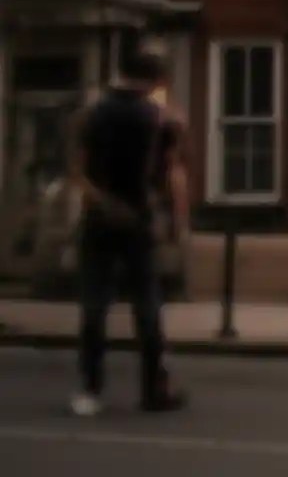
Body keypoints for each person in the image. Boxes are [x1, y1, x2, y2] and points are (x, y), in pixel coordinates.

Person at [68, 49, 188, 416]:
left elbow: (78, 172)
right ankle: (153, 390)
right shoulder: (162, 119)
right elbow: (172, 175)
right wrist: (178, 226)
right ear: (154, 81)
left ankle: (90, 390)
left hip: (99, 219)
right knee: (147, 306)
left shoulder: (91, 113)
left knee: (94, 305)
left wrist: (103, 203)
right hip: (140, 219)